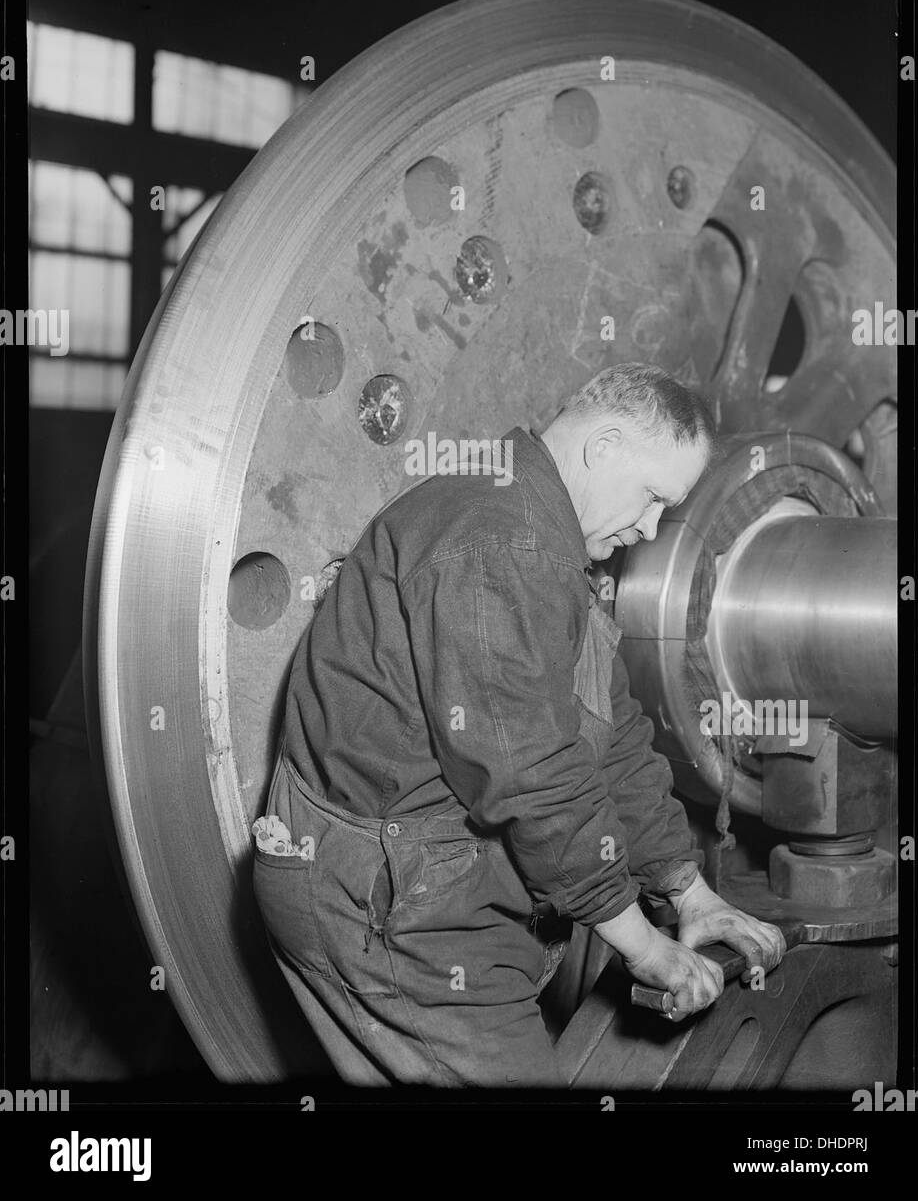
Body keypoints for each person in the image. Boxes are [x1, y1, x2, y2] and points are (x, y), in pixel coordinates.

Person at [252, 361, 786, 1087]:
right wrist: (642, 945)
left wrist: (686, 891)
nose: (652, 527)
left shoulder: (542, 534)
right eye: (655, 497)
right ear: (604, 446)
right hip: (383, 902)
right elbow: (534, 776)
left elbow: (612, 734)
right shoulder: (498, 543)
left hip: (426, 876)